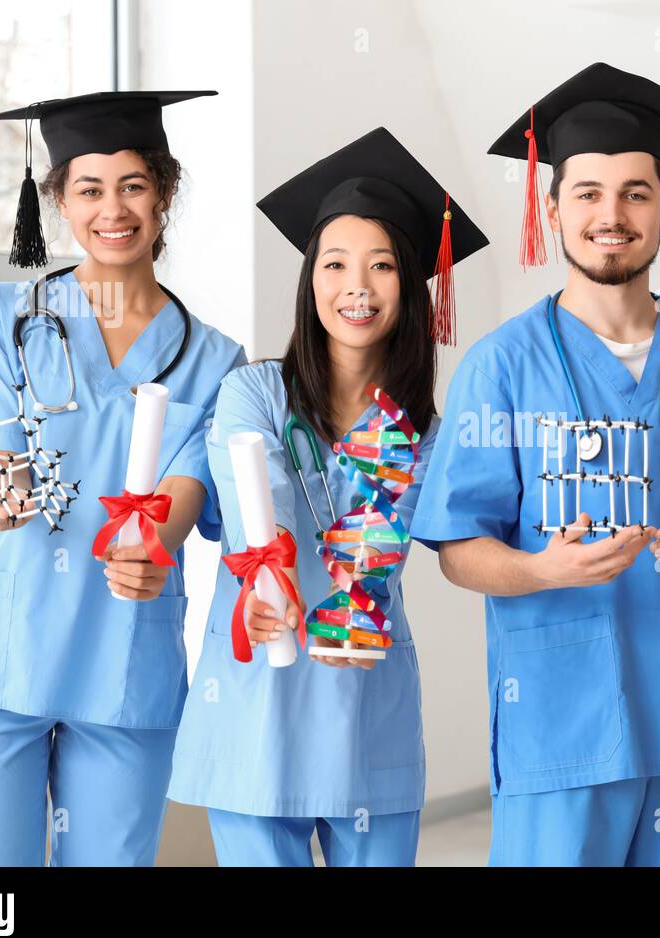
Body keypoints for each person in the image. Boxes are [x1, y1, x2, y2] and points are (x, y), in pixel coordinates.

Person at [410, 63, 660, 866]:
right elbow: (457, 552)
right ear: (551, 210)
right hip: (556, 716)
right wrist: (544, 569)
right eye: (586, 193)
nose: (610, 215)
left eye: (635, 192)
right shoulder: (500, 367)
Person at [0, 90, 247, 866]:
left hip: (123, 665)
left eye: (134, 185)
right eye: (89, 189)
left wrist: (153, 539)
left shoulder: (215, 362)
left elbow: (187, 489)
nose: (114, 209)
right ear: (59, 201)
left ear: (165, 193)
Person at [167, 127, 488, 867]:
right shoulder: (251, 391)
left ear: (409, 285)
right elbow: (260, 486)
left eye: (381, 267)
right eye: (336, 263)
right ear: (310, 279)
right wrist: (271, 571)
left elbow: (391, 533)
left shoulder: (422, 434)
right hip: (255, 699)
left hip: (363, 693)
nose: (357, 287)